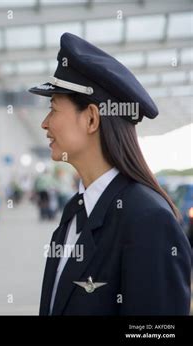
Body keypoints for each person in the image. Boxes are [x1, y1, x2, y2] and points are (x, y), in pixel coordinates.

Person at [29, 33, 191, 315]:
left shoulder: (148, 220)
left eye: (53, 108)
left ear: (91, 118)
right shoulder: (76, 209)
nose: (45, 123)